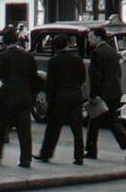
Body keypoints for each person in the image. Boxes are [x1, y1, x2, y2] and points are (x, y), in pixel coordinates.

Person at [0, 26, 41, 168]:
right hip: (24, 96)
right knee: (24, 130)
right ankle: (25, 159)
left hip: (7, 96)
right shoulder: (28, 56)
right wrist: (32, 95)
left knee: (0, 126)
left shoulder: (3, 56)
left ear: (5, 41)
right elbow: (34, 78)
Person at [84, 26, 126, 162]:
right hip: (114, 91)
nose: (88, 40)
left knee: (100, 121)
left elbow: (95, 77)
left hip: (102, 93)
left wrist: (93, 95)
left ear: (98, 37)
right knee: (105, 120)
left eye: (90, 37)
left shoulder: (96, 53)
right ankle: (92, 150)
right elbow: (117, 73)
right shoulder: (112, 51)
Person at [37, 35, 88, 165]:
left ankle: (46, 153)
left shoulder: (54, 61)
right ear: (67, 44)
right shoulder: (77, 60)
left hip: (59, 97)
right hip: (75, 95)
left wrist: (49, 98)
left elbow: (50, 83)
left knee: (53, 128)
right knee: (77, 129)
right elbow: (82, 77)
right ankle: (79, 156)